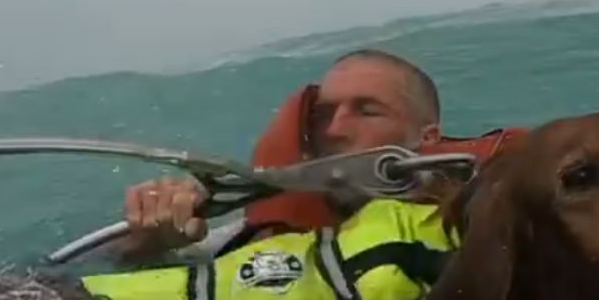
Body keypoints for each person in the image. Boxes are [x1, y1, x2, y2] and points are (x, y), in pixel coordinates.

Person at [117, 48, 509, 262]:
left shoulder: (487, 222)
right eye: (324, 114)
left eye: (367, 110)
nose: (335, 130)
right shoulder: (245, 237)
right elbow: (122, 273)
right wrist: (150, 241)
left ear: (429, 137)